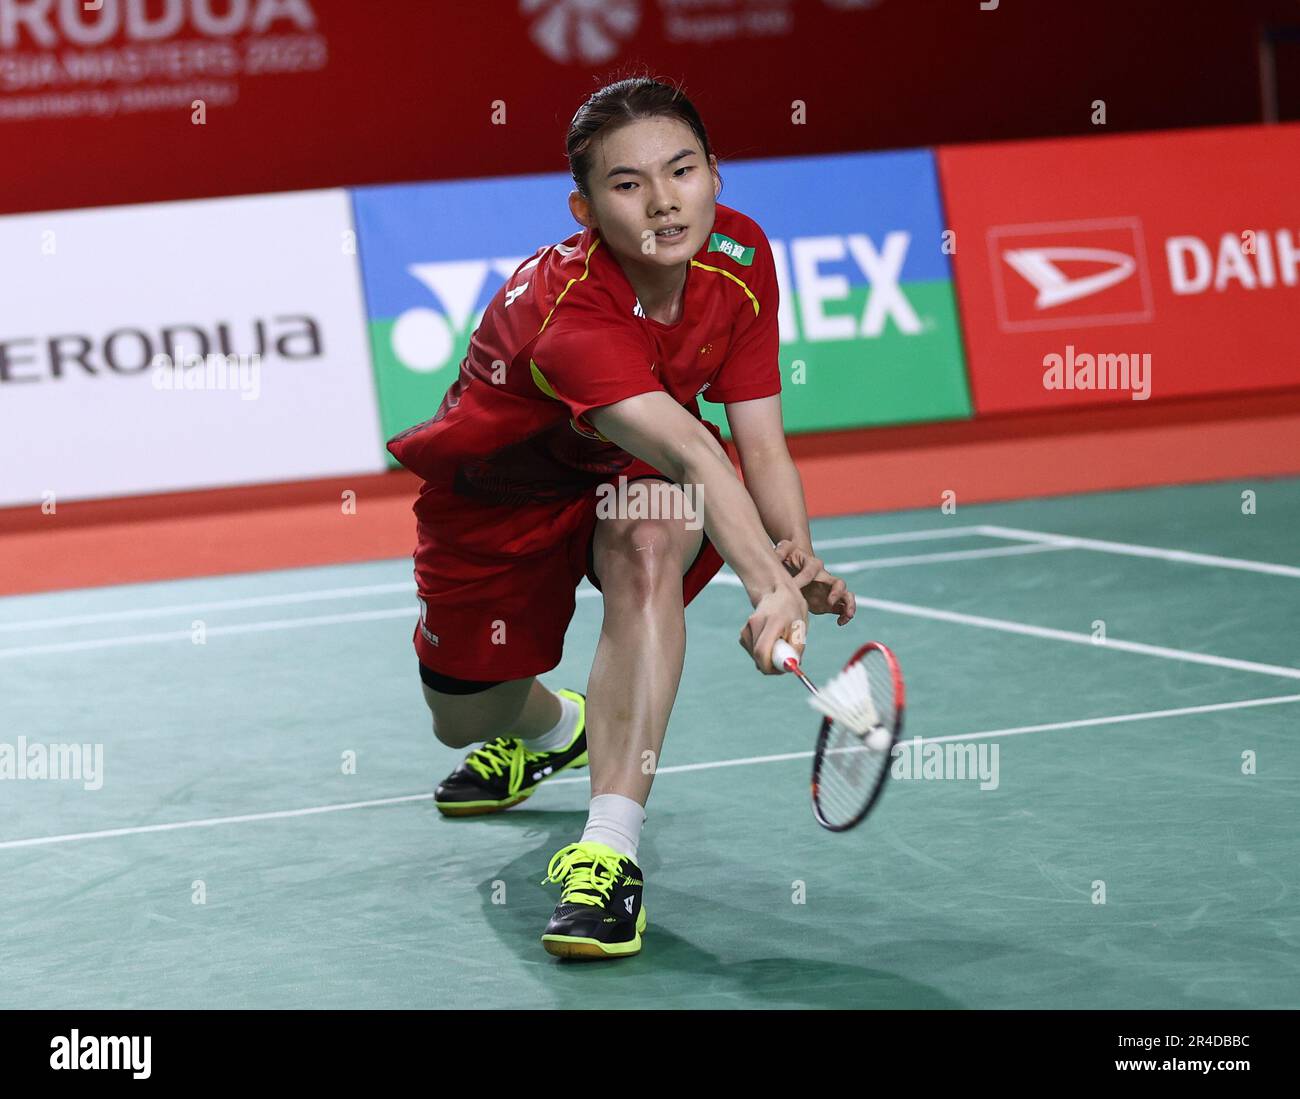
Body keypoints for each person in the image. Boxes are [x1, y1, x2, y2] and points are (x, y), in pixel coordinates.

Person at [387, 76, 856, 960]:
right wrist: (764, 585)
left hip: (633, 469)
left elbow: (756, 442)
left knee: (647, 544)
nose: (665, 201)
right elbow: (695, 452)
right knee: (464, 716)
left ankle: (608, 853)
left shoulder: (741, 257)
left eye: (682, 170)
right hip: (501, 489)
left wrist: (794, 560)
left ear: (715, 173)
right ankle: (552, 729)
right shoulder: (570, 310)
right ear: (586, 208)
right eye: (628, 183)